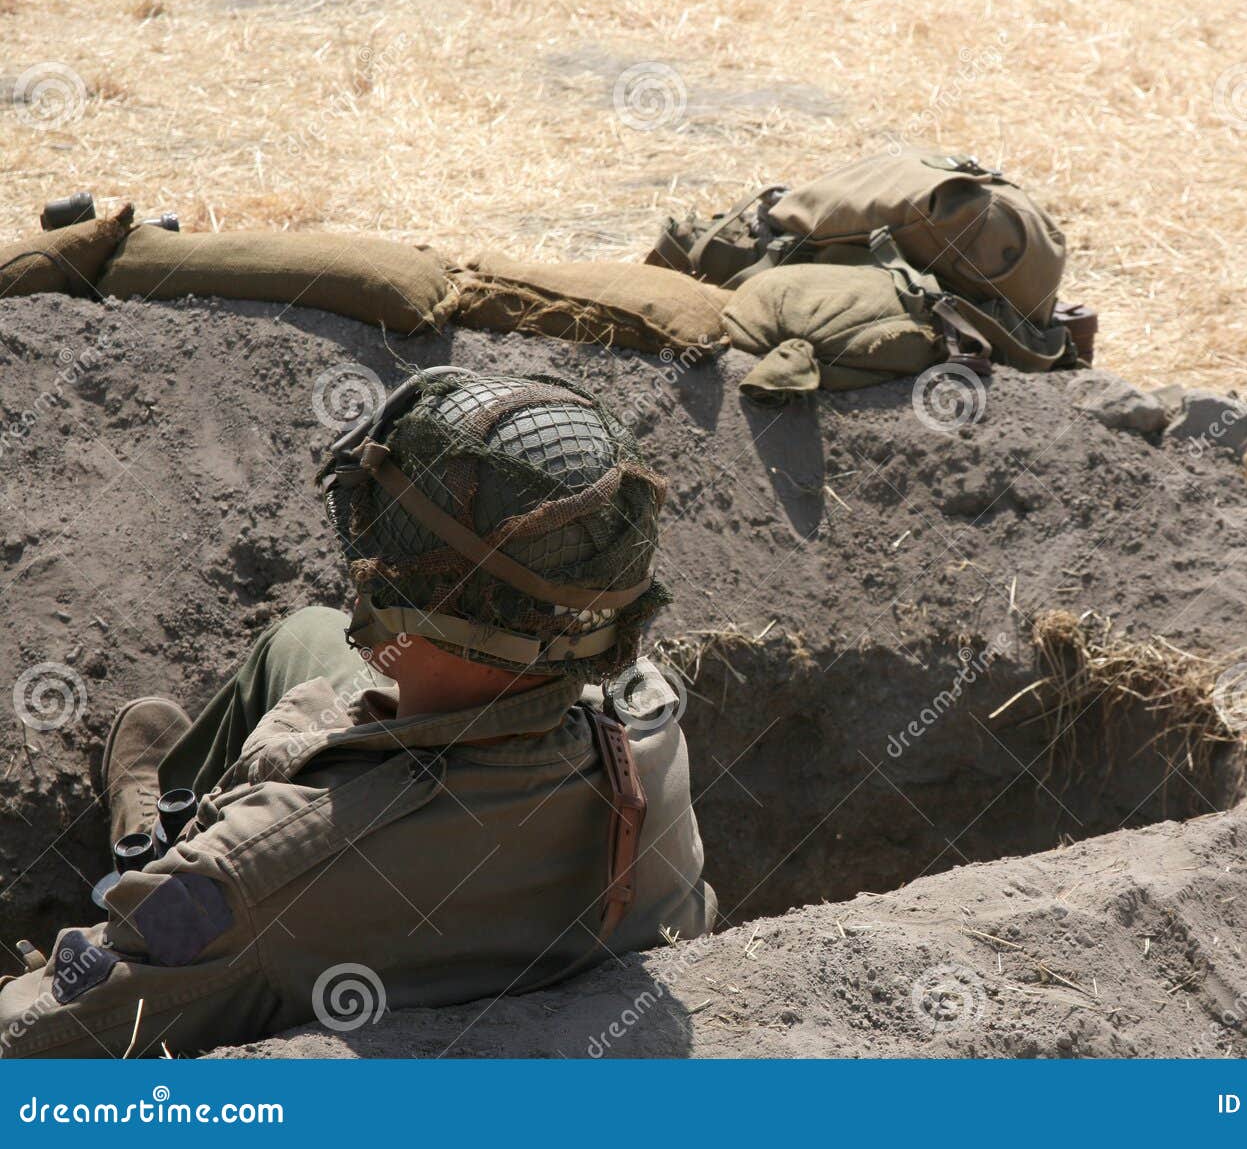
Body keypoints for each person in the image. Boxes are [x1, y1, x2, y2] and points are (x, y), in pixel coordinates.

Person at [0, 368, 714, 1058]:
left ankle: (161, 847)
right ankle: (171, 815)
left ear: (401, 605)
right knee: (301, 637)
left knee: (171, 909)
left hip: (307, 883)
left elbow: (33, 1041)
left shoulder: (255, 877)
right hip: (488, 790)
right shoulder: (650, 725)